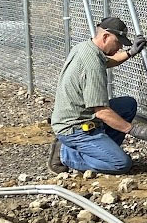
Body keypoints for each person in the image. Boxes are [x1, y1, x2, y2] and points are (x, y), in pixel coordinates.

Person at [49, 16, 140, 174]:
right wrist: (134, 130)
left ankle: (102, 150)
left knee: (127, 105)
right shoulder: (93, 66)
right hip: (75, 127)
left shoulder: (85, 48)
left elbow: (110, 61)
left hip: (74, 115)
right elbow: (101, 112)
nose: (119, 47)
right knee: (121, 164)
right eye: (118, 42)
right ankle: (64, 154)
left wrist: (131, 52)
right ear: (105, 37)